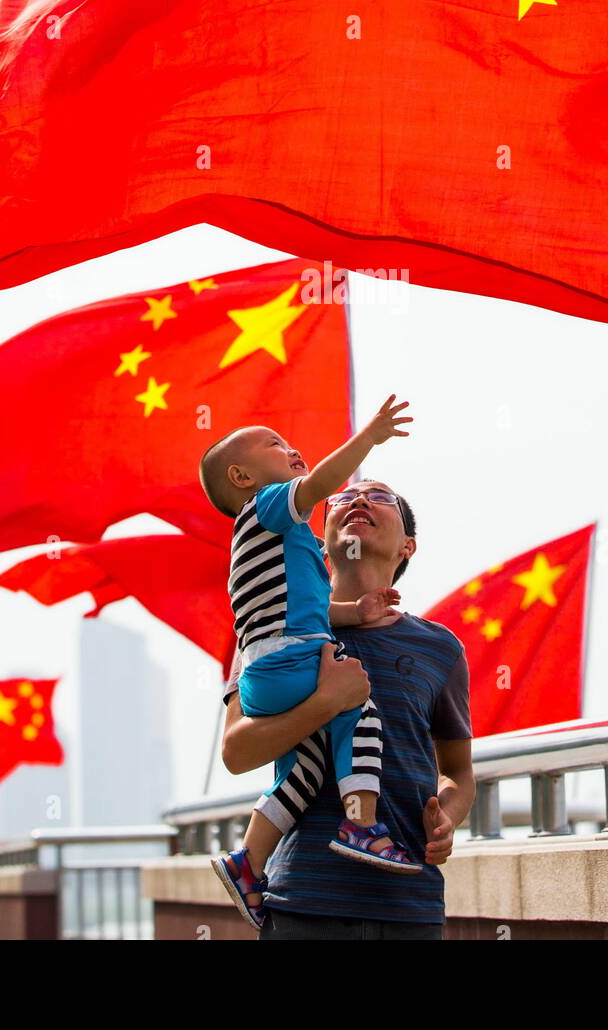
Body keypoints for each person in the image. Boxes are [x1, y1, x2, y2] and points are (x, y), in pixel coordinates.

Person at [198, 397, 421, 930]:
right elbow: (320, 482)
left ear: (407, 548)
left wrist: (356, 611)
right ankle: (361, 825)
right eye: (276, 444)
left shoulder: (286, 570)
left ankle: (248, 860)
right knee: (357, 712)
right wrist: (368, 437)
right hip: (287, 662)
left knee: (304, 768)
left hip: (271, 669)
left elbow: (313, 611)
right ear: (242, 476)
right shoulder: (270, 504)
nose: (292, 448)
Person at [221, 477, 475, 940]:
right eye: (341, 498)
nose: (358, 499)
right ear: (320, 541)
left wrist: (448, 817)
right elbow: (237, 754)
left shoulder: (440, 648)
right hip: (303, 899)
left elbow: (458, 770)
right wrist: (326, 703)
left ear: (407, 546)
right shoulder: (270, 633)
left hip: (410, 902)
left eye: (380, 498)